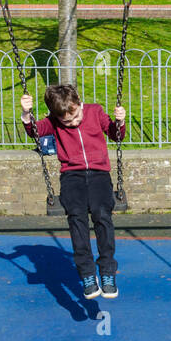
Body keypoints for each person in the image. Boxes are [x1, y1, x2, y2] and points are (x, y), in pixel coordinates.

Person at [20, 85, 128, 299]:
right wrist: (26, 113)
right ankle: (87, 274)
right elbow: (35, 131)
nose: (73, 123)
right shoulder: (53, 121)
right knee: (77, 220)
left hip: (99, 174)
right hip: (72, 177)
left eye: (76, 116)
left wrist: (120, 121)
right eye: (66, 122)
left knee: (102, 217)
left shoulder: (95, 111)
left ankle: (107, 271)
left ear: (79, 103)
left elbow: (116, 136)